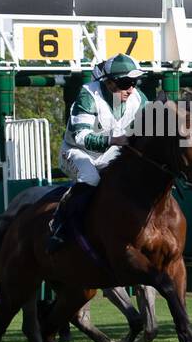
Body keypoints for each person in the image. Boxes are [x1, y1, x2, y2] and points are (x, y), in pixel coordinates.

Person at [47, 53, 147, 253]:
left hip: (110, 154)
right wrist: (111, 140)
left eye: (134, 82)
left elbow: (154, 127)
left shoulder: (138, 98)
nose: (131, 89)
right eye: (125, 83)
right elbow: (80, 136)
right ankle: (60, 226)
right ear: (109, 83)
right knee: (91, 177)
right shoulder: (88, 95)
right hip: (76, 152)